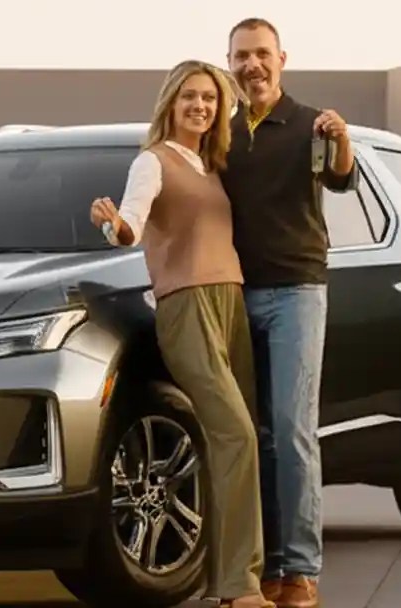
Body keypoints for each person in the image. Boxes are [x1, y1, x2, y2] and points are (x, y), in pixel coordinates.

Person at [89, 59, 274, 608]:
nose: (200, 106)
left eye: (210, 98)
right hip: (187, 305)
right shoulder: (153, 161)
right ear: (170, 102)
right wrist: (113, 225)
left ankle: (225, 582)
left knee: (232, 442)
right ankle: (241, 586)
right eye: (190, 96)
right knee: (236, 436)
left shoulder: (211, 166)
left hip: (230, 302)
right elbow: (131, 224)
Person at [221, 18, 358, 608]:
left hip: (296, 291)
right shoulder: (221, 135)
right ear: (229, 63)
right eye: (241, 56)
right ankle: (267, 566)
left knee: (292, 429)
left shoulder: (311, 124)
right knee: (254, 436)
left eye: (261, 54)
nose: (251, 65)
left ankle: (300, 570)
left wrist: (342, 140)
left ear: (282, 59)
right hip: (233, 294)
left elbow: (341, 178)